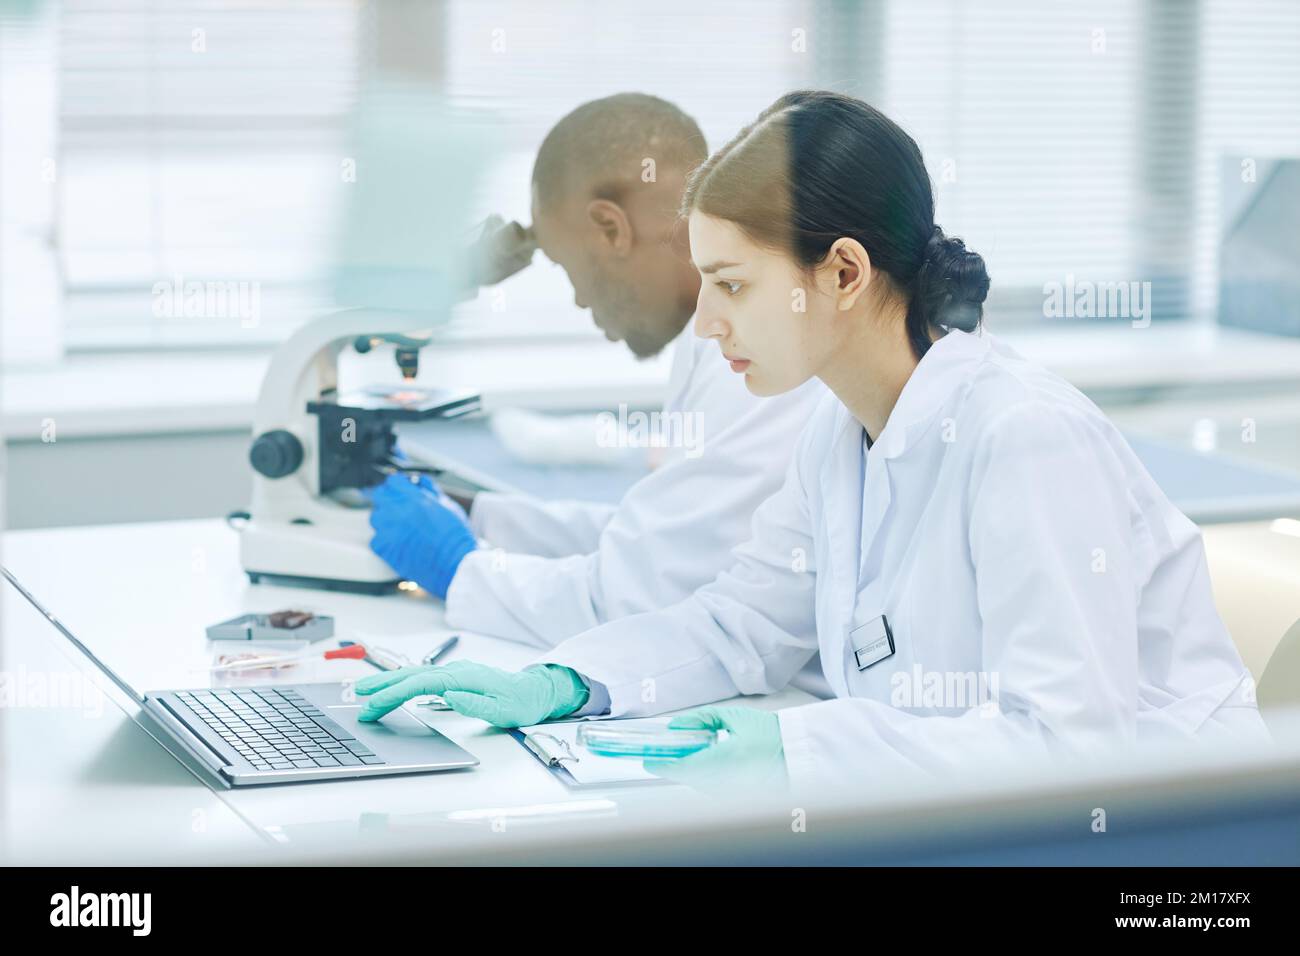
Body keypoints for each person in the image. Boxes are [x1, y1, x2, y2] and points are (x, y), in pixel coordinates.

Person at [355, 91, 1269, 791]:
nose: (707, 323)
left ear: (841, 273)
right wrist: (564, 683)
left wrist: (796, 746)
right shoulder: (839, 431)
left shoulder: (1026, 437)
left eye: (735, 286)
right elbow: (741, 622)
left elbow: (1069, 744)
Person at [367, 93, 826, 665]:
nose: (581, 298)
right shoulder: (717, 341)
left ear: (610, 229)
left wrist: (459, 565)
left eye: (567, 267)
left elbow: (640, 598)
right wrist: (482, 515)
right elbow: (661, 539)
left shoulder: (759, 356)